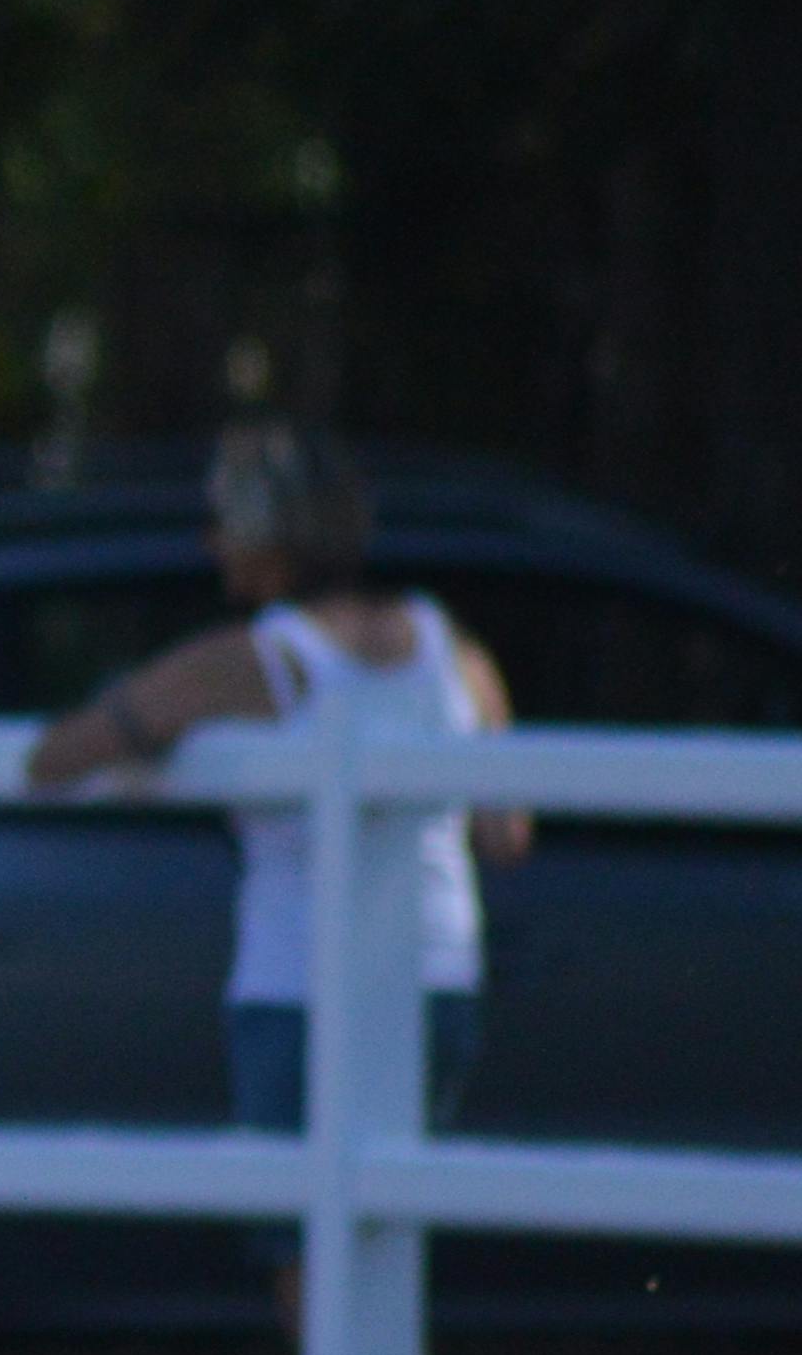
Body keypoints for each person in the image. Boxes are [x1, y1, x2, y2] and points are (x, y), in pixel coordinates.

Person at [26, 419, 519, 1136]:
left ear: (269, 536)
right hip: (437, 983)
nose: (212, 542)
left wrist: (142, 729)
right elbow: (505, 833)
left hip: (299, 991)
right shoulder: (454, 647)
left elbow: (55, 758)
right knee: (393, 1226)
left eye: (224, 522)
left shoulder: (253, 660)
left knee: (294, 1239)